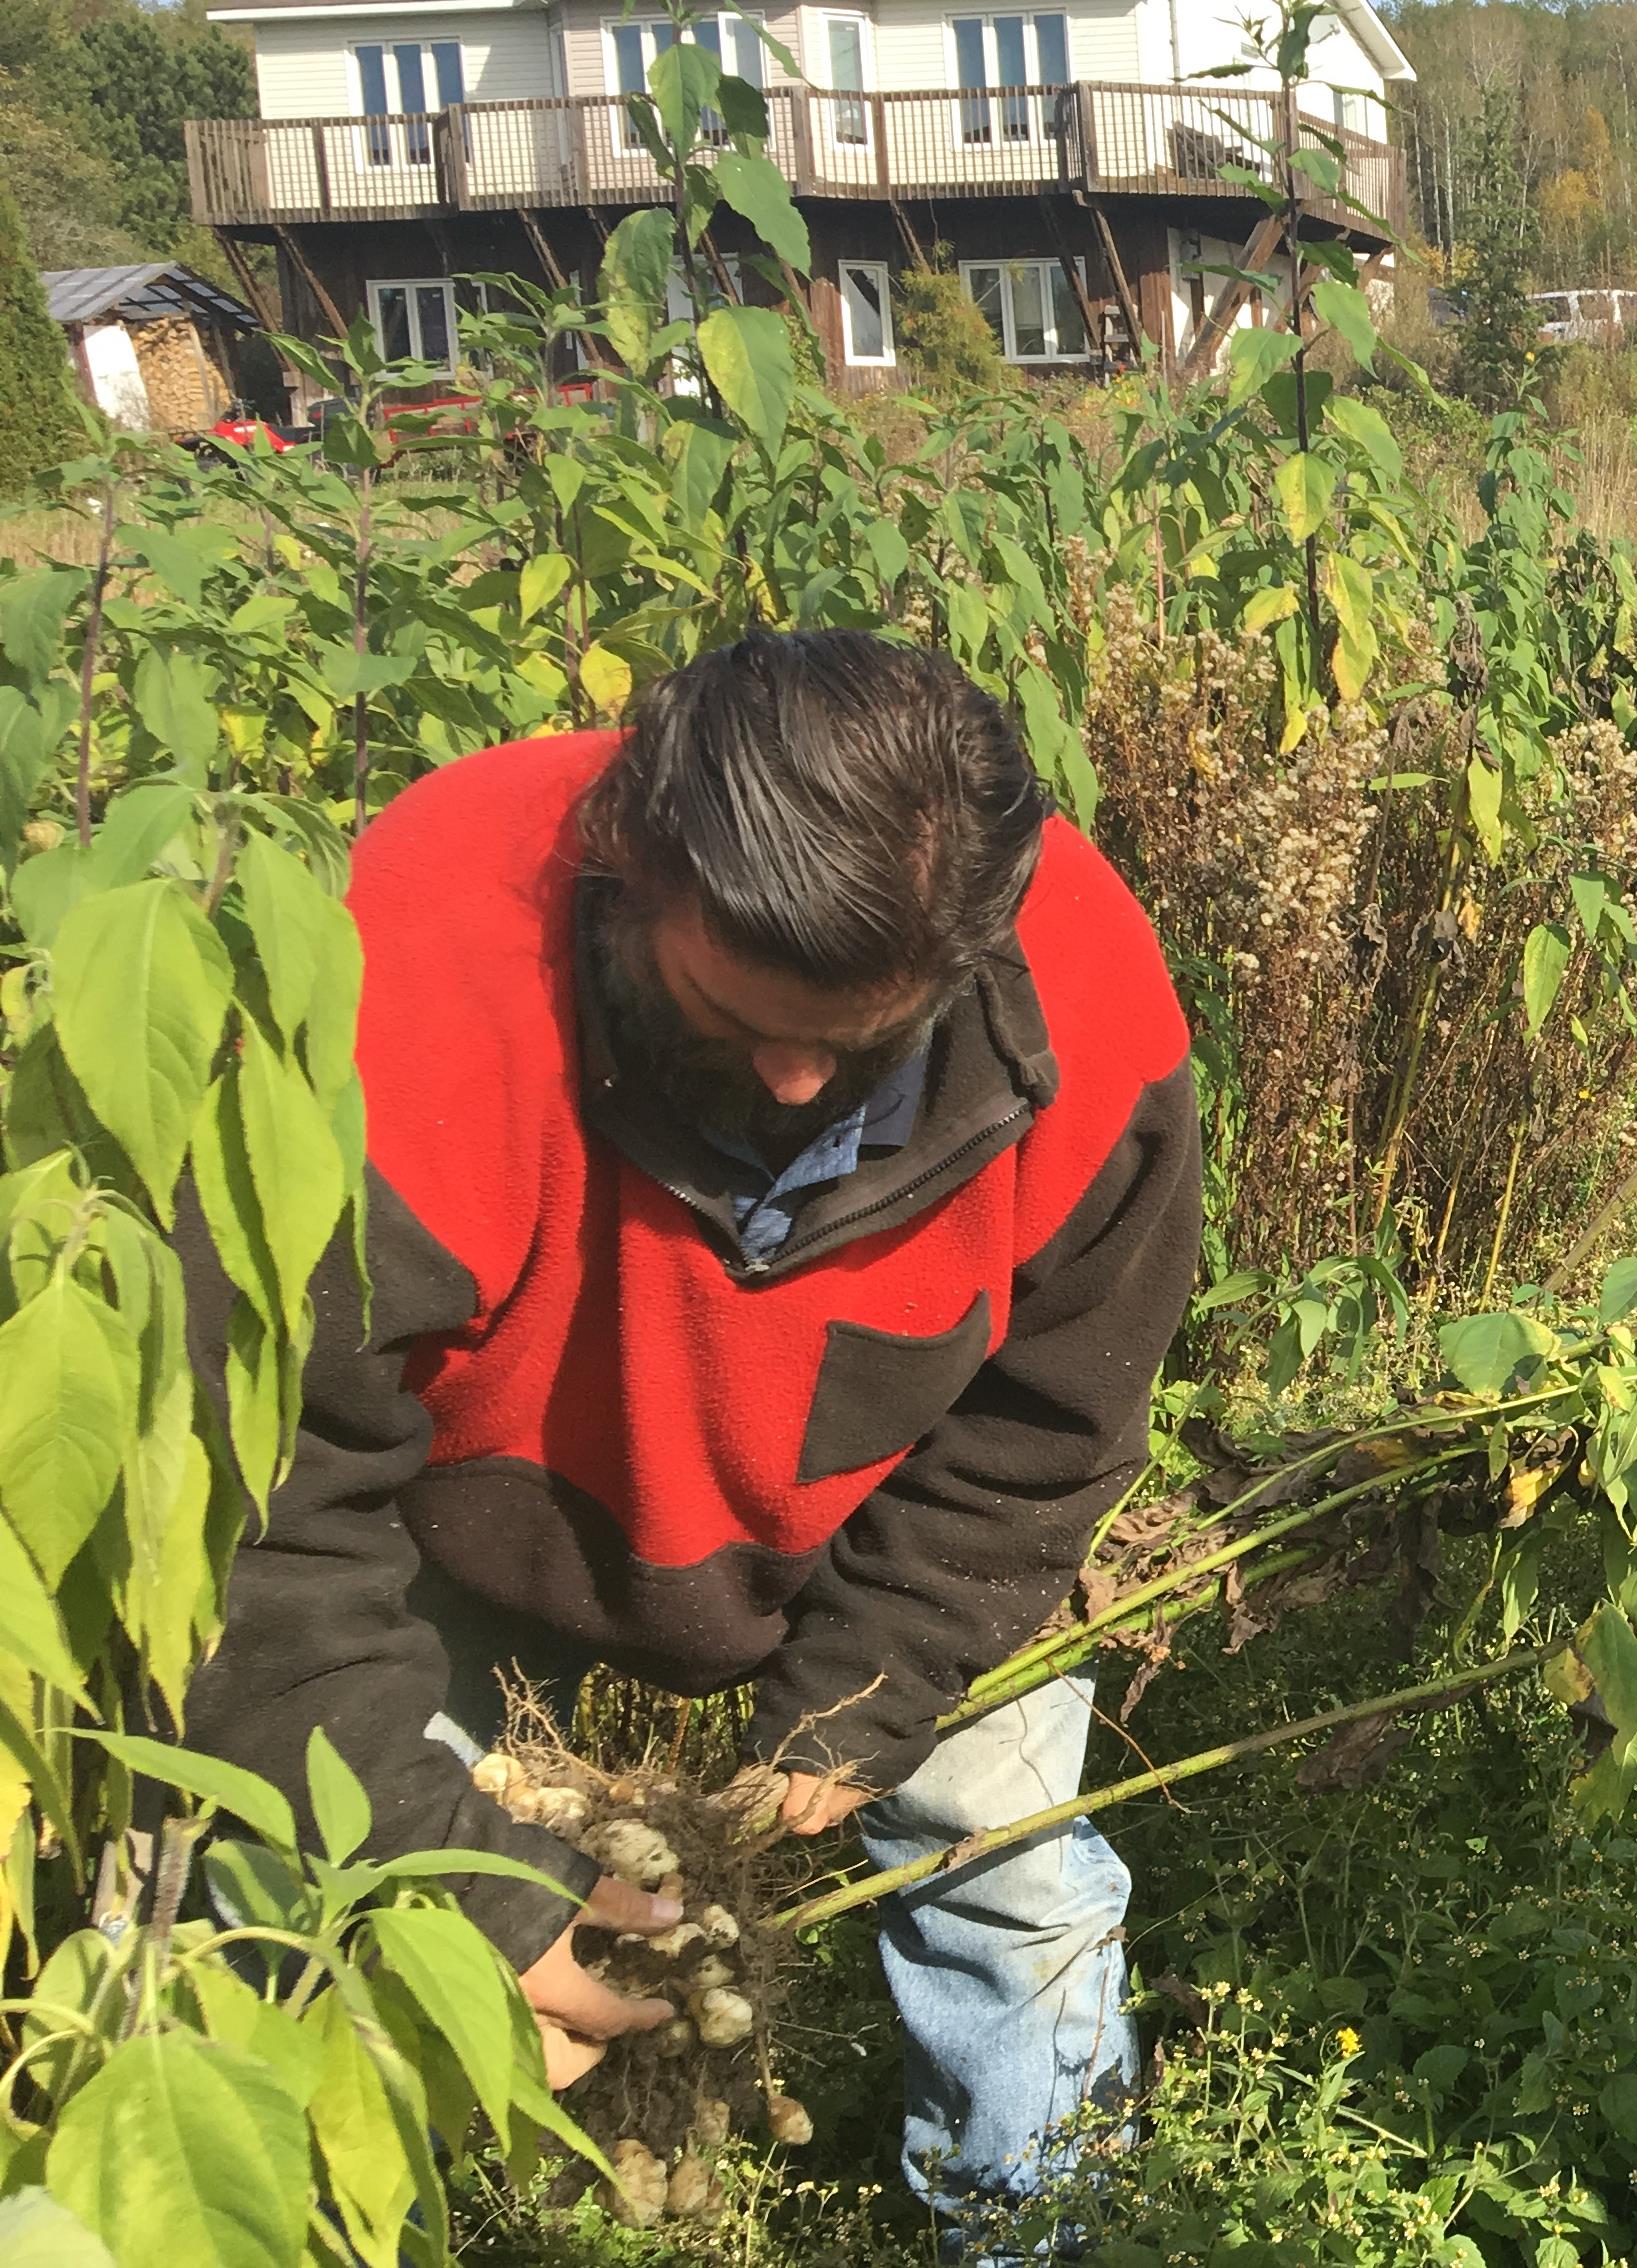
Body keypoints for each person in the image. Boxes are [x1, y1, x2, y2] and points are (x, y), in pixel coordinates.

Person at [186, 630, 1202, 2256]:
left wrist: (864, 1691)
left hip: (872, 1516)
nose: (797, 1075)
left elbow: (1047, 1428)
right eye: (729, 1014)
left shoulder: (1086, 1010)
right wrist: (469, 1882)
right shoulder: (419, 962)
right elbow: (259, 1513)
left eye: (860, 1038)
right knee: (332, 1906)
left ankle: (1043, 2232)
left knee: (1007, 1881)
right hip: (456, 1503)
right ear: (626, 866)